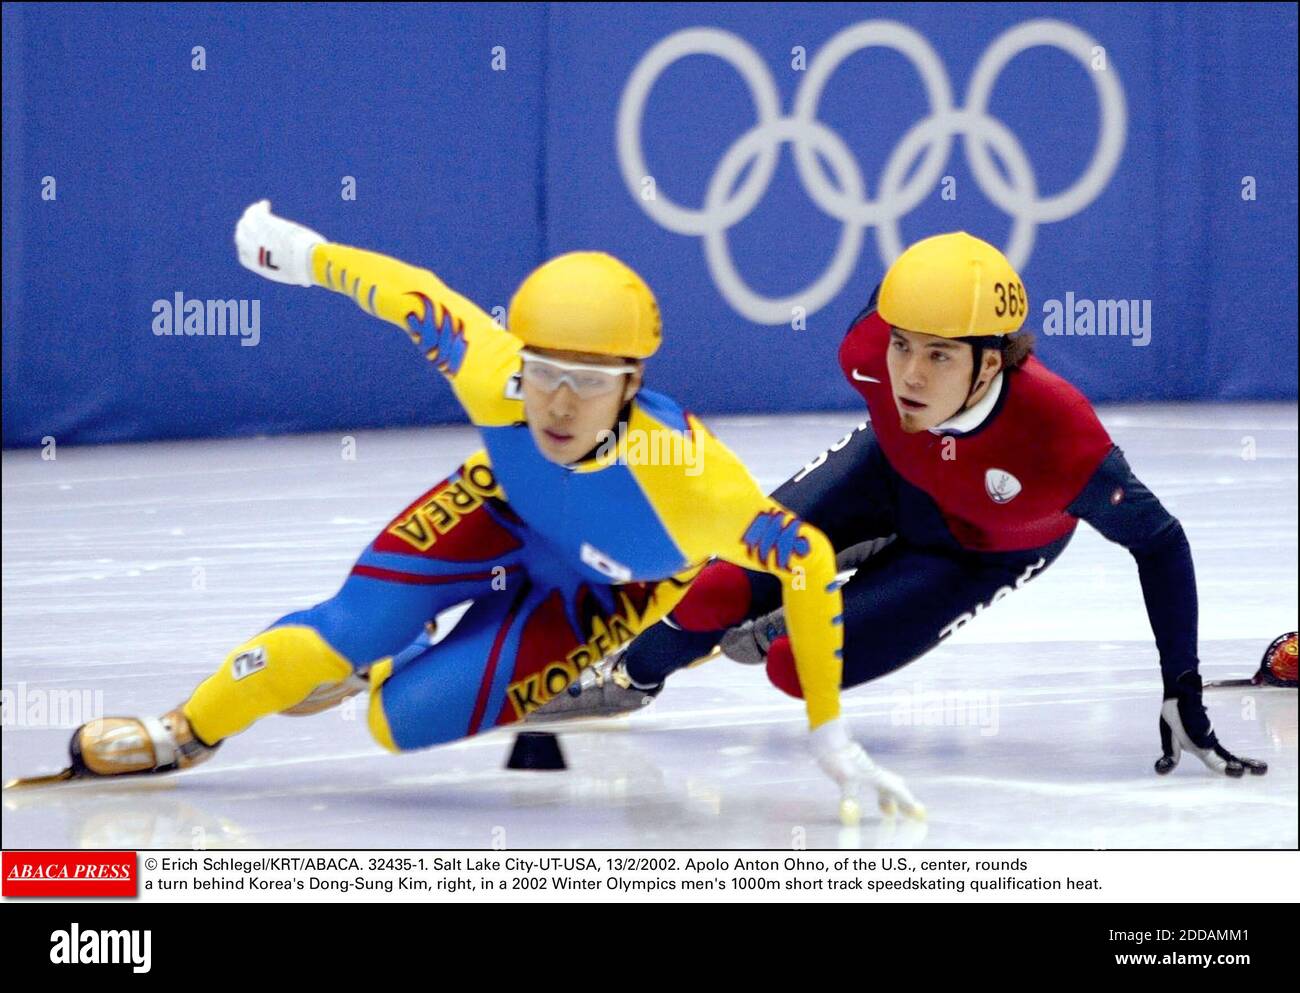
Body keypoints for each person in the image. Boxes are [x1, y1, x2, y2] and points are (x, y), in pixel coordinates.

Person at [48, 201, 922, 817]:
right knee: (343, 628)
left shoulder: (691, 479)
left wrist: (828, 735)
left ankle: (399, 664)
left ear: (632, 385)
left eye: (587, 384)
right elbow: (402, 291)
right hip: (501, 508)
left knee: (397, 722)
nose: (557, 404)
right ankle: (185, 730)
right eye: (544, 373)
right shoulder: (494, 374)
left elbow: (805, 561)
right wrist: (296, 252)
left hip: (600, 595)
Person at [535, 231, 1267, 780]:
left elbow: (1161, 542)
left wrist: (1183, 691)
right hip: (887, 473)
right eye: (903, 345)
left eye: (940, 355)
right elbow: (897, 341)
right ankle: (631, 677)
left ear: (992, 363)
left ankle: (786, 615)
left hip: (977, 554)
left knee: (793, 666)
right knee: (718, 587)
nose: (910, 374)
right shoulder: (865, 351)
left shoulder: (1061, 440)